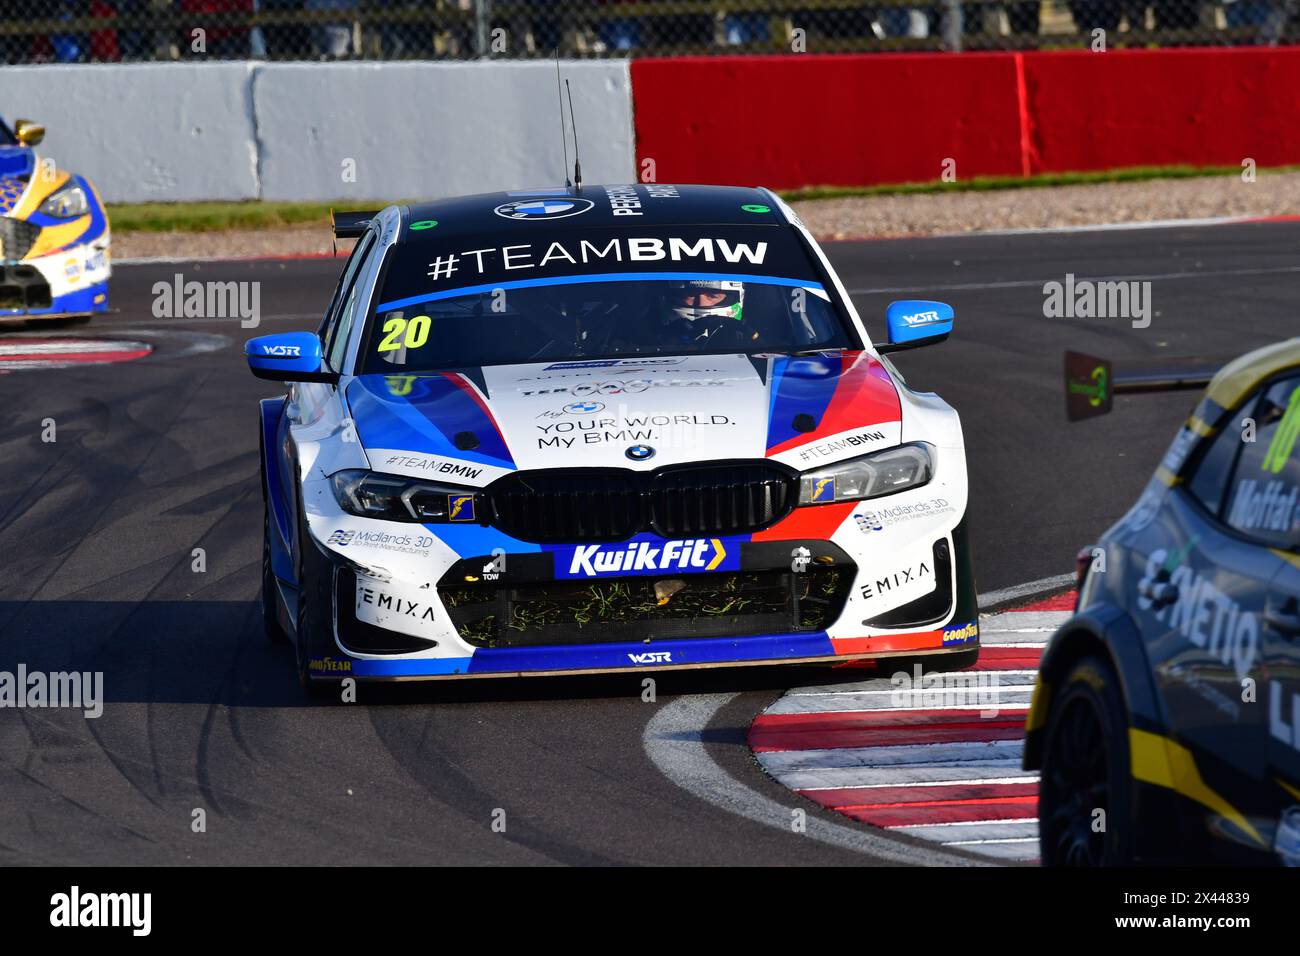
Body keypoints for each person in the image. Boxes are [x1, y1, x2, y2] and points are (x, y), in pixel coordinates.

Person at [656, 279, 757, 348]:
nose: (702, 304)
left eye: (713, 295)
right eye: (689, 295)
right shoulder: (649, 343)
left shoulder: (754, 343)